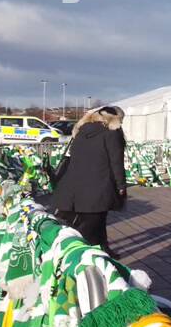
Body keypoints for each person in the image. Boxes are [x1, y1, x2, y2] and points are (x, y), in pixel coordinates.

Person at [51, 106, 127, 254]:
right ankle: (86, 258)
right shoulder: (111, 133)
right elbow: (116, 162)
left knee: (97, 220)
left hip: (74, 185)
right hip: (99, 184)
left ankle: (104, 248)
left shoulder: (81, 131)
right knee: (91, 226)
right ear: (115, 119)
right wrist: (121, 185)